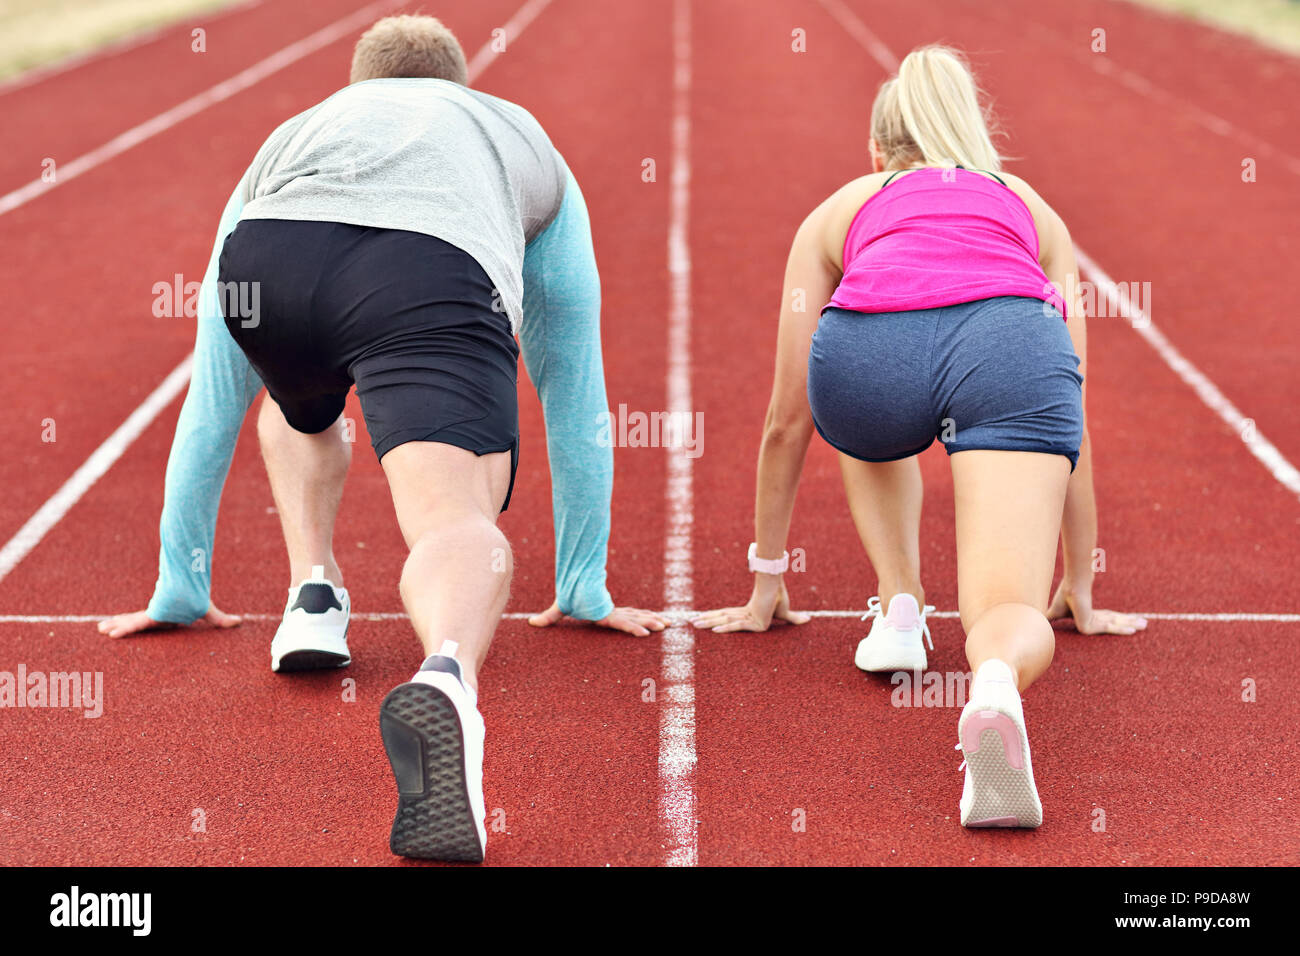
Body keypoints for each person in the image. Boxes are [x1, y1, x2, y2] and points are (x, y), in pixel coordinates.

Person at [97, 14, 665, 861]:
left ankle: (313, 600)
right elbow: (571, 380)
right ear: (460, 87)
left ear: (359, 88)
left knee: (297, 408)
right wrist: (582, 582)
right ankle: (446, 677)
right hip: (425, 269)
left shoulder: (299, 131)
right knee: (453, 511)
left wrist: (179, 582)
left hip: (269, 261)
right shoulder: (515, 132)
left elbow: (210, 399)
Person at [694, 45, 1146, 828]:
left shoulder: (844, 204)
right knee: (1006, 605)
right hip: (1013, 348)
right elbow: (1071, 411)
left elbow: (784, 420)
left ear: (878, 151)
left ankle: (900, 608)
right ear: (973, 132)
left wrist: (767, 578)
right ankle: (998, 681)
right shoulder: (1031, 206)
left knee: (871, 423)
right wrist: (1081, 584)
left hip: (869, 359)